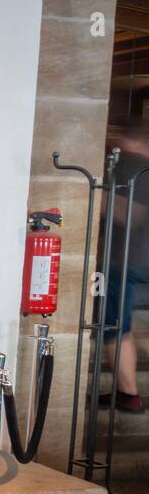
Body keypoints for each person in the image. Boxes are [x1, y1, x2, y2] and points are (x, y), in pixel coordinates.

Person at [100, 129, 149, 414]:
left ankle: (128, 392)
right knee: (125, 323)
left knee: (115, 325)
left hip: (124, 259)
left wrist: (101, 200)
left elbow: (128, 214)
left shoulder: (129, 167)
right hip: (136, 260)